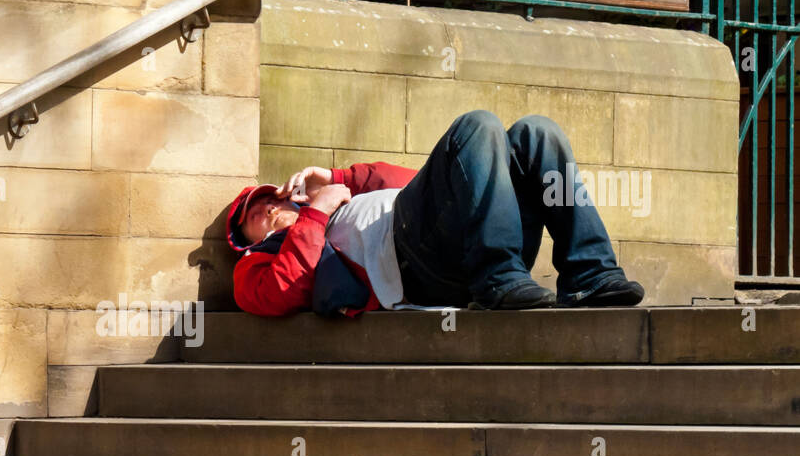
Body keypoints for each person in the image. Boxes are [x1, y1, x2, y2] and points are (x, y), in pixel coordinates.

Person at [226, 110, 645, 316]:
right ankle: (497, 278)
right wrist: (315, 214)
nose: (270, 206)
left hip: (457, 240)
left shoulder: (334, 198)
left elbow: (420, 177)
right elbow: (277, 294)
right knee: (478, 126)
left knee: (538, 133)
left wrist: (339, 178)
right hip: (411, 262)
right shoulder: (255, 262)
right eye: (257, 212)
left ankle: (589, 274)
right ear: (247, 239)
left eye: (273, 199)